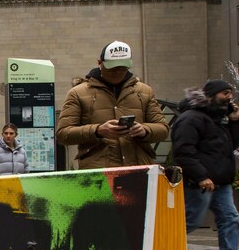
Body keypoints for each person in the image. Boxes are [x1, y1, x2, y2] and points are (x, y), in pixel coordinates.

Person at [172, 79, 239, 250]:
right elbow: (183, 151)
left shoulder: (216, 120)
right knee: (189, 222)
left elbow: (230, 146)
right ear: (210, 96)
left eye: (230, 92)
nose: (229, 97)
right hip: (200, 183)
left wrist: (235, 121)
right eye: (225, 93)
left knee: (230, 219)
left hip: (219, 182)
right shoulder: (192, 118)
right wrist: (200, 176)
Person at [56, 40, 169, 169]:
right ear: (99, 63)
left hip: (140, 169)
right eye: (113, 69)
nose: (118, 73)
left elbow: (163, 129)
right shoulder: (77, 93)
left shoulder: (144, 91)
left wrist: (145, 130)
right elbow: (63, 134)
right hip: (99, 172)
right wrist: (98, 130)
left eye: (123, 68)